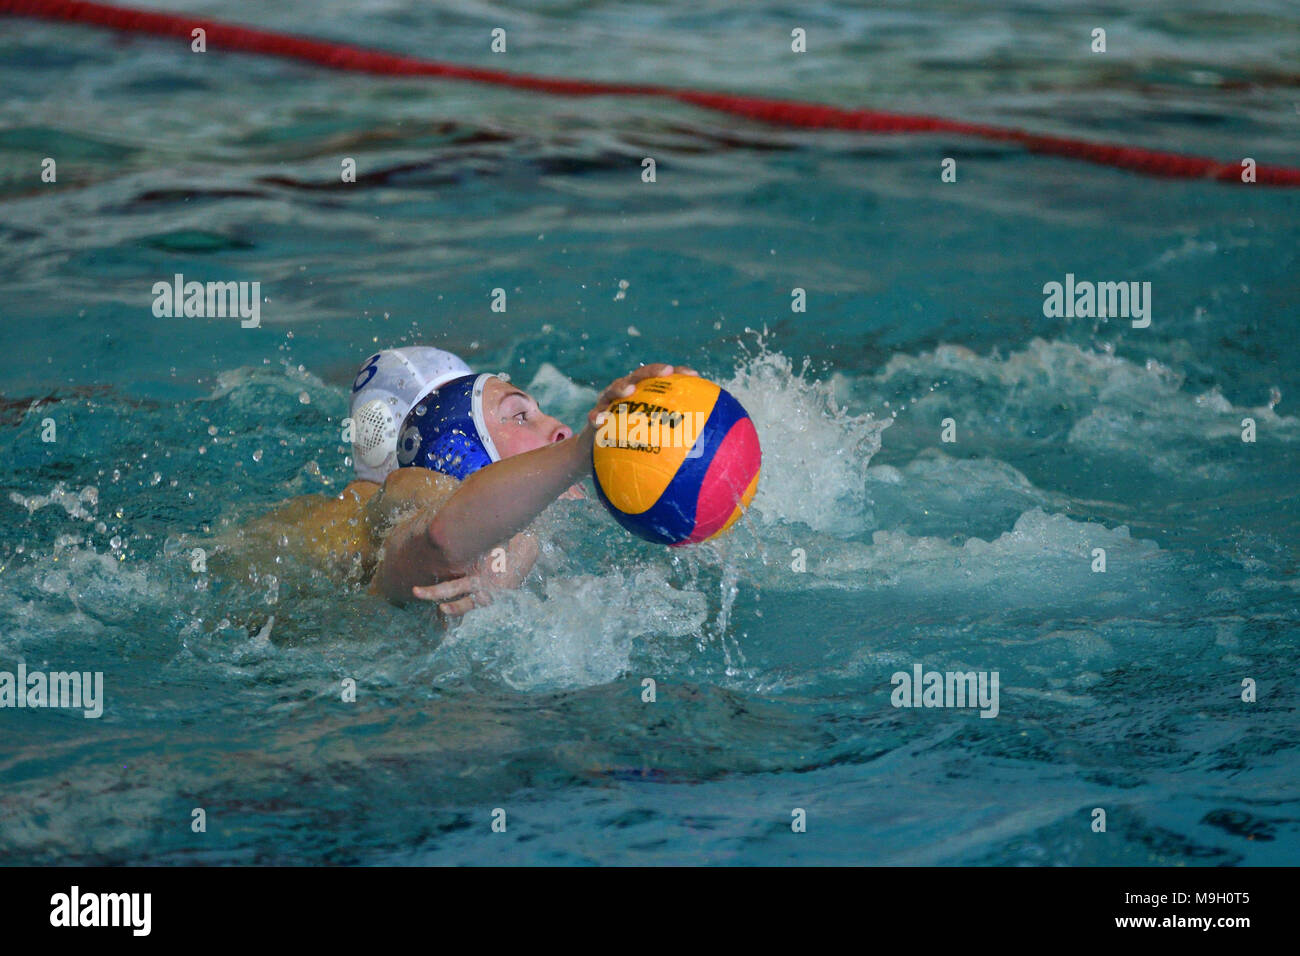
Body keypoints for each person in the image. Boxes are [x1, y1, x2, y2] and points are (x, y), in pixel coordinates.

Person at [247, 347, 695, 616]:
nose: (559, 428)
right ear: (455, 453)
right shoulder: (396, 499)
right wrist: (580, 453)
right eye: (520, 415)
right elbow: (439, 529)